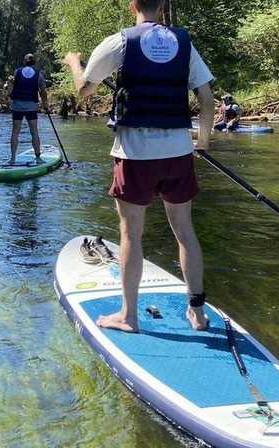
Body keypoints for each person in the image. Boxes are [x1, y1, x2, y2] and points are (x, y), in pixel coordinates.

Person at [63, 0, 215, 333]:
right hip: (178, 154)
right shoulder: (184, 44)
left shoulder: (121, 41)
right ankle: (198, 314)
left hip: (135, 156)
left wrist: (75, 62)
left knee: (131, 234)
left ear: (133, 4)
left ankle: (129, 317)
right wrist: (202, 143)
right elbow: (207, 100)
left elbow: (83, 90)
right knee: (185, 232)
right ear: (162, 5)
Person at [8, 53, 49, 165]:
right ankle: (38, 158)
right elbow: (43, 91)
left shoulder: (17, 72)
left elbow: (12, 86)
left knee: (15, 132)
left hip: (17, 105)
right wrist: (46, 104)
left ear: (24, 62)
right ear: (34, 63)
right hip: (31, 105)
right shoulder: (38, 74)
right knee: (34, 132)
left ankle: (12, 159)